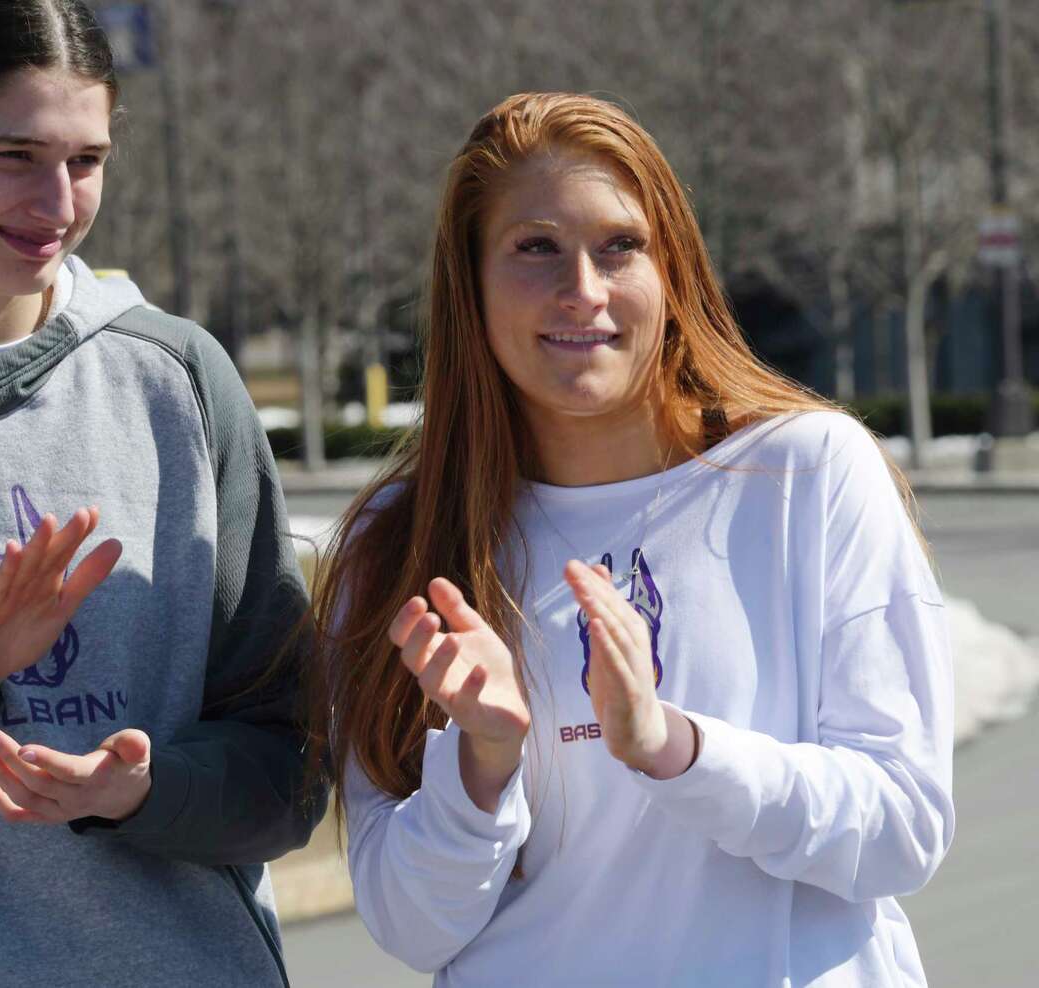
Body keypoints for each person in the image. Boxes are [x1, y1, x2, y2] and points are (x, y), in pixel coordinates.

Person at [309, 92, 955, 987]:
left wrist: (676, 749)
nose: (584, 291)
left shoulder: (807, 473)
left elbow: (902, 830)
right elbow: (410, 927)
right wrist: (481, 764)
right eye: (536, 248)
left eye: (620, 246)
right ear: (472, 284)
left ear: (672, 269)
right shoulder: (400, 545)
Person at [0, 3, 322, 986]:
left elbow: (287, 769)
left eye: (87, 159)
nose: (58, 201)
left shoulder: (177, 378)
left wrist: (143, 790)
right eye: (14, 154)